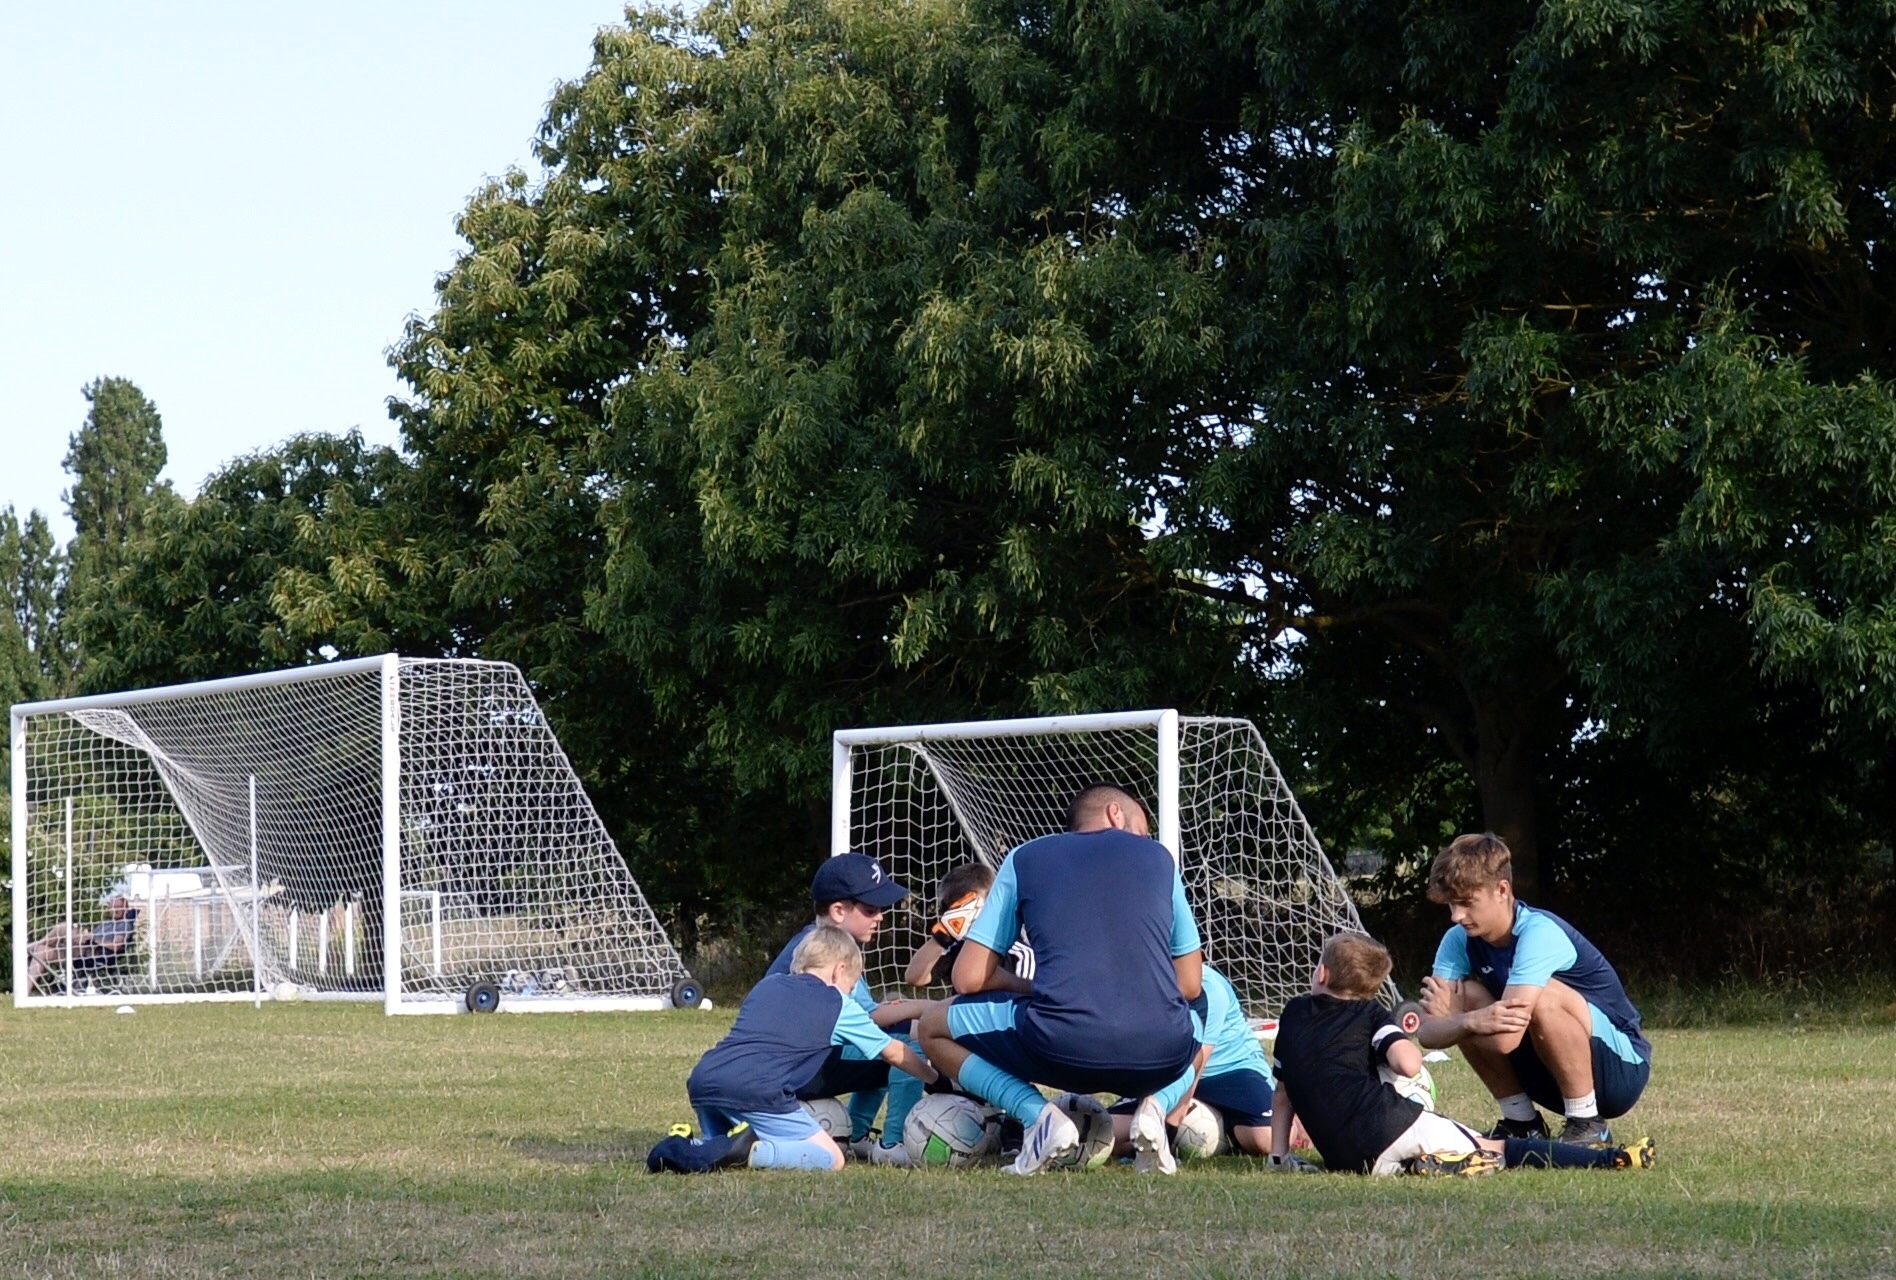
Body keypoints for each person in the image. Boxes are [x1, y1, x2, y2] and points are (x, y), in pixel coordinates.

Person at [916, 783, 1203, 1176]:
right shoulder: (1159, 860)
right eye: (1143, 827)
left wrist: (1034, 988)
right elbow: (1189, 985)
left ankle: (1039, 1118)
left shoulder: (1026, 858)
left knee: (931, 1027)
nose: (1146, 839)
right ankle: (1153, 1110)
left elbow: (967, 978)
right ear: (1115, 814)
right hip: (1160, 1055)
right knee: (1200, 1024)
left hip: (1060, 1046)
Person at [1269, 932, 1654, 1176]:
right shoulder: (1370, 1015)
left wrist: (1279, 1159)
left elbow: (1283, 1094)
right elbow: (1409, 1063)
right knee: (1502, 1148)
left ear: (1321, 975)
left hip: (1344, 1158)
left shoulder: (1292, 1014)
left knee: (1406, 1160)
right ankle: (1609, 1160)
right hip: (1387, 1125)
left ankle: (1433, 1163)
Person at [1415, 833, 1651, 1144]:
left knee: (1542, 996)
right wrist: (1469, 1020)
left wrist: (1456, 1022)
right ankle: (1522, 1123)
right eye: (1451, 905)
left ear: (1502, 890)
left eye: (1467, 903)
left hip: (1619, 1071)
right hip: (1547, 1069)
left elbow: (1505, 1040)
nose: (1456, 916)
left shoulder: (1539, 933)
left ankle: (1587, 1123)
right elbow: (1427, 1034)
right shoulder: (1458, 939)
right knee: (1469, 997)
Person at [650, 925, 939, 1173]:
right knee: (832, 1158)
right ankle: (752, 1153)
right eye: (853, 984)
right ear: (840, 970)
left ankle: (683, 1147)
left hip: (705, 1080)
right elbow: (892, 1052)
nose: (851, 992)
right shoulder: (837, 1002)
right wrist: (934, 1079)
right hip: (757, 1089)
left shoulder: (768, 985)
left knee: (717, 1147)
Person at [764, 852, 931, 1164]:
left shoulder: (817, 942)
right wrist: (925, 1008)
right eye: (870, 909)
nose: (880, 916)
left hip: (790, 1064)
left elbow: (862, 1014)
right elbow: (870, 1019)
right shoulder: (826, 954)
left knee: (884, 1042)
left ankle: (856, 1134)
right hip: (797, 1070)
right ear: (838, 910)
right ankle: (894, 1145)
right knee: (906, 1048)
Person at [1109, 961, 1274, 1158]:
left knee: (1264, 1140)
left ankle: (1231, 1125)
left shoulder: (1210, 989)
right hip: (1174, 1072)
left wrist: (1166, 1142)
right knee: (1108, 1134)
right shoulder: (1141, 986)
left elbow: (1195, 1068)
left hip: (1233, 1071)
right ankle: (1217, 1125)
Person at [24, 895, 138, 993]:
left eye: (118, 907)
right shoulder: (105, 924)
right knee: (41, 950)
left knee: (65, 926)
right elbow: (89, 937)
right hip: (79, 949)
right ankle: (25, 991)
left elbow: (115, 946)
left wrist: (91, 939)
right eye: (112, 906)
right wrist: (86, 937)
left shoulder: (124, 925)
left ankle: (26, 947)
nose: (114, 909)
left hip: (92, 953)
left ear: (125, 909)